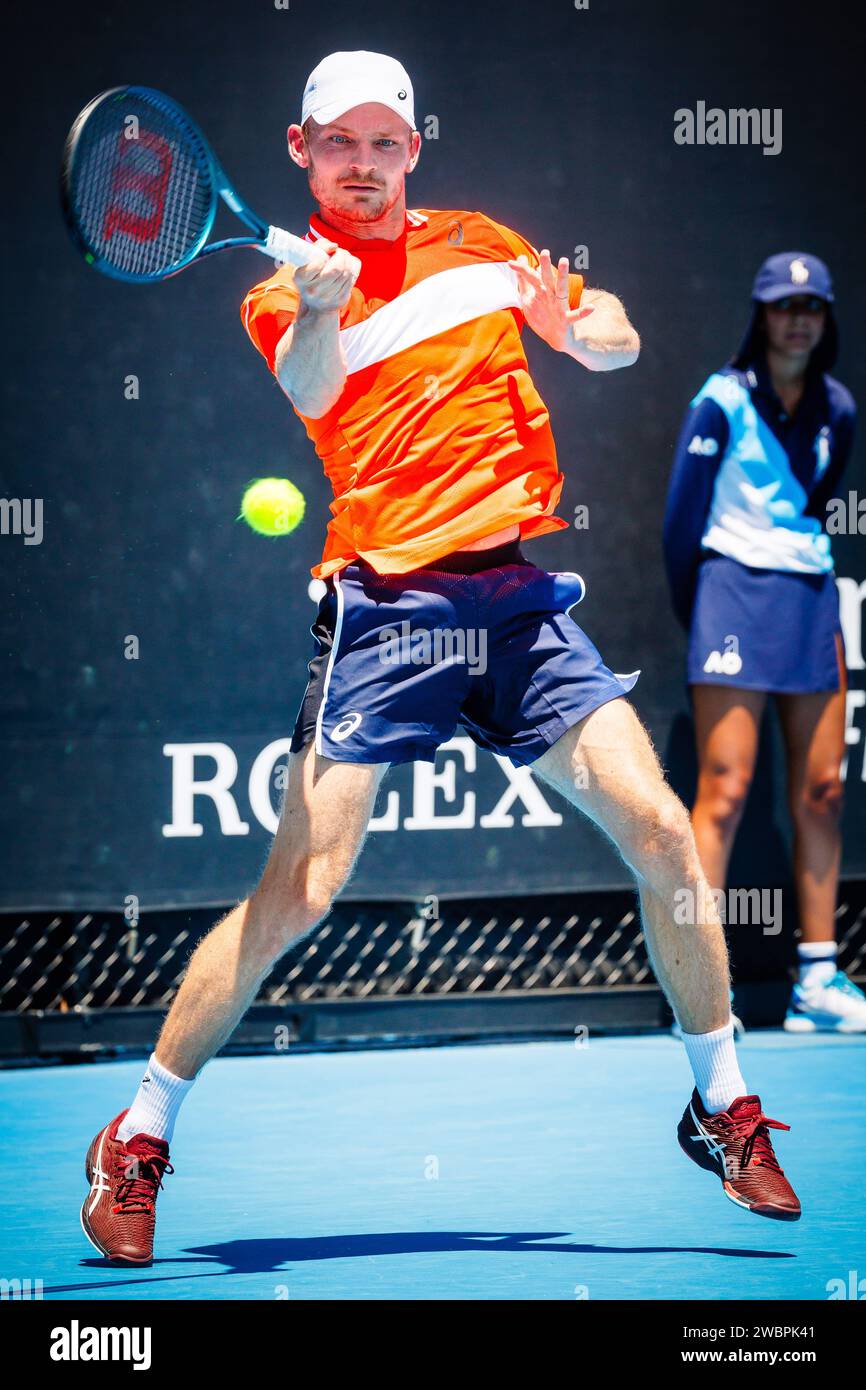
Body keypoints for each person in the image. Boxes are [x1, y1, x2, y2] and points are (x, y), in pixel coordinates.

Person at [81, 51, 801, 1268]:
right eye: (340, 143)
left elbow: (613, 332)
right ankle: (138, 1134)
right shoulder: (275, 288)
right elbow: (315, 393)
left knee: (664, 830)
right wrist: (318, 302)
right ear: (299, 150)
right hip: (385, 608)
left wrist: (578, 327)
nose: (364, 165)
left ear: (415, 148)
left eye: (386, 142)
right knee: (298, 894)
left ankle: (720, 1104)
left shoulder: (481, 240)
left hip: (513, 599)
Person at [664, 251, 865, 1035]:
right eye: (785, 306)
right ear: (762, 315)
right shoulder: (718, 401)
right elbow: (681, 523)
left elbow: (819, 501)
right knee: (725, 790)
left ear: (826, 318)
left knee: (824, 792)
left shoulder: (839, 407)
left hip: (810, 597)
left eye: (812, 306)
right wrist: (706, 608)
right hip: (731, 594)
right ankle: (704, 992)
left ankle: (816, 983)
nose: (798, 318)